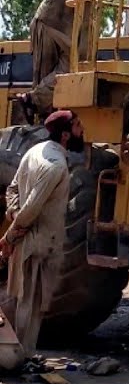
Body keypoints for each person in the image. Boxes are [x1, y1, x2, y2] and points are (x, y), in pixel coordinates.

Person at [0, 111, 83, 367]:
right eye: (79, 126)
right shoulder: (55, 166)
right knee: (30, 302)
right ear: (66, 134)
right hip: (37, 242)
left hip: (29, 237)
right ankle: (17, 359)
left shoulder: (35, 151)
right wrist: (10, 236)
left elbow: (13, 187)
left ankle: (15, 353)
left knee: (23, 298)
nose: (83, 130)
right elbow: (33, 208)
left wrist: (12, 211)